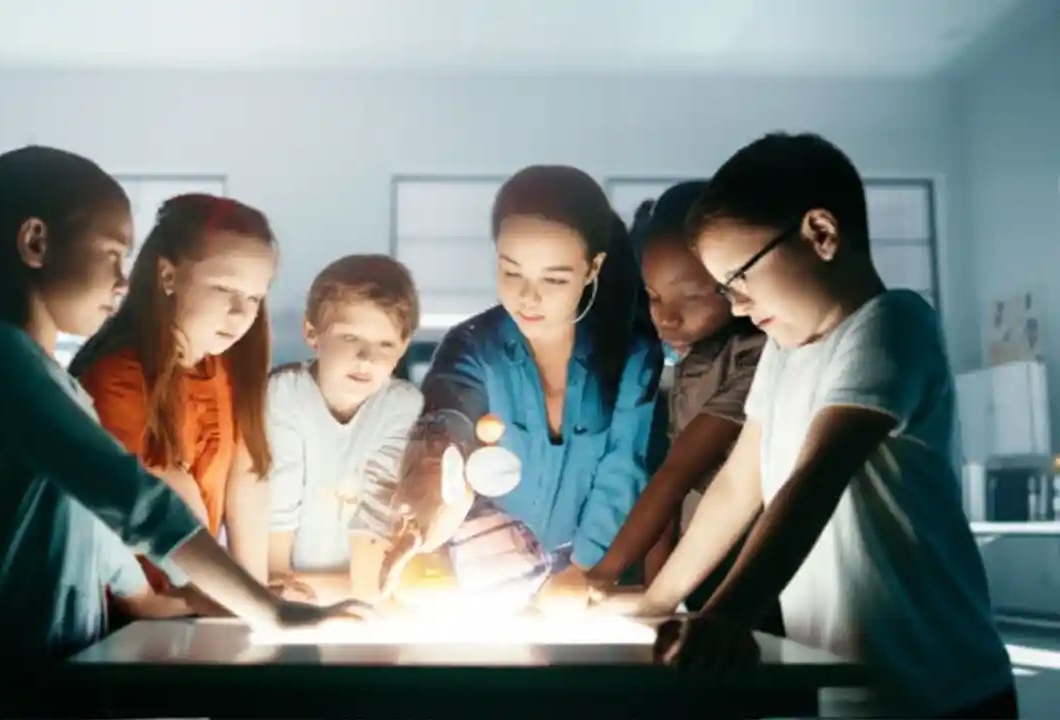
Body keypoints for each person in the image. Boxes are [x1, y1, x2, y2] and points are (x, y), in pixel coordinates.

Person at [0, 142, 361, 717]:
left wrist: (146, 596)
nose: (124, 281)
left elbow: (92, 517)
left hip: (43, 677)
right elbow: (129, 497)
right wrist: (267, 611)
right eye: (111, 254)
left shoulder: (59, 384)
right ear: (36, 242)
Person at [622, 133, 1015, 718]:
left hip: (942, 688)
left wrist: (727, 616)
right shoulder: (784, 351)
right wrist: (656, 604)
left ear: (821, 234)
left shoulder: (890, 323)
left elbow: (818, 476)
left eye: (739, 280)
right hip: (846, 687)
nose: (735, 307)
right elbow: (737, 488)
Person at [379, 165, 662, 613]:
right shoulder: (473, 346)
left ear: (593, 268)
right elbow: (445, 429)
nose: (528, 298)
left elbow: (623, 470)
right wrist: (422, 514)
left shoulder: (631, 354)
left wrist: (583, 569)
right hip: (480, 580)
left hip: (591, 585)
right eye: (511, 273)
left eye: (553, 279)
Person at [587, 182, 776, 633]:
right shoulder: (691, 361)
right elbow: (671, 492)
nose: (666, 317)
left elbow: (678, 475)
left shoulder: (758, 356)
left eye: (691, 296)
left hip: (752, 569)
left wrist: (602, 572)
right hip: (694, 574)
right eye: (654, 296)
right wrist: (659, 605)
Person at [71, 194, 277, 590]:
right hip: (126, 610)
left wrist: (258, 589)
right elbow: (176, 516)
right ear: (167, 276)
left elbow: (247, 481)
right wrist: (247, 604)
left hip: (192, 601)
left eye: (254, 297)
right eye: (223, 288)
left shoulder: (224, 367)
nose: (241, 312)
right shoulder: (118, 379)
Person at [267, 254, 424, 602]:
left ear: (403, 347)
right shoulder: (285, 394)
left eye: (385, 345)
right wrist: (276, 583)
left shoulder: (401, 405)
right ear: (312, 332)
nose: (366, 358)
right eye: (350, 338)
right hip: (284, 581)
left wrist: (362, 591)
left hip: (359, 581)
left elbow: (379, 505)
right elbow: (278, 498)